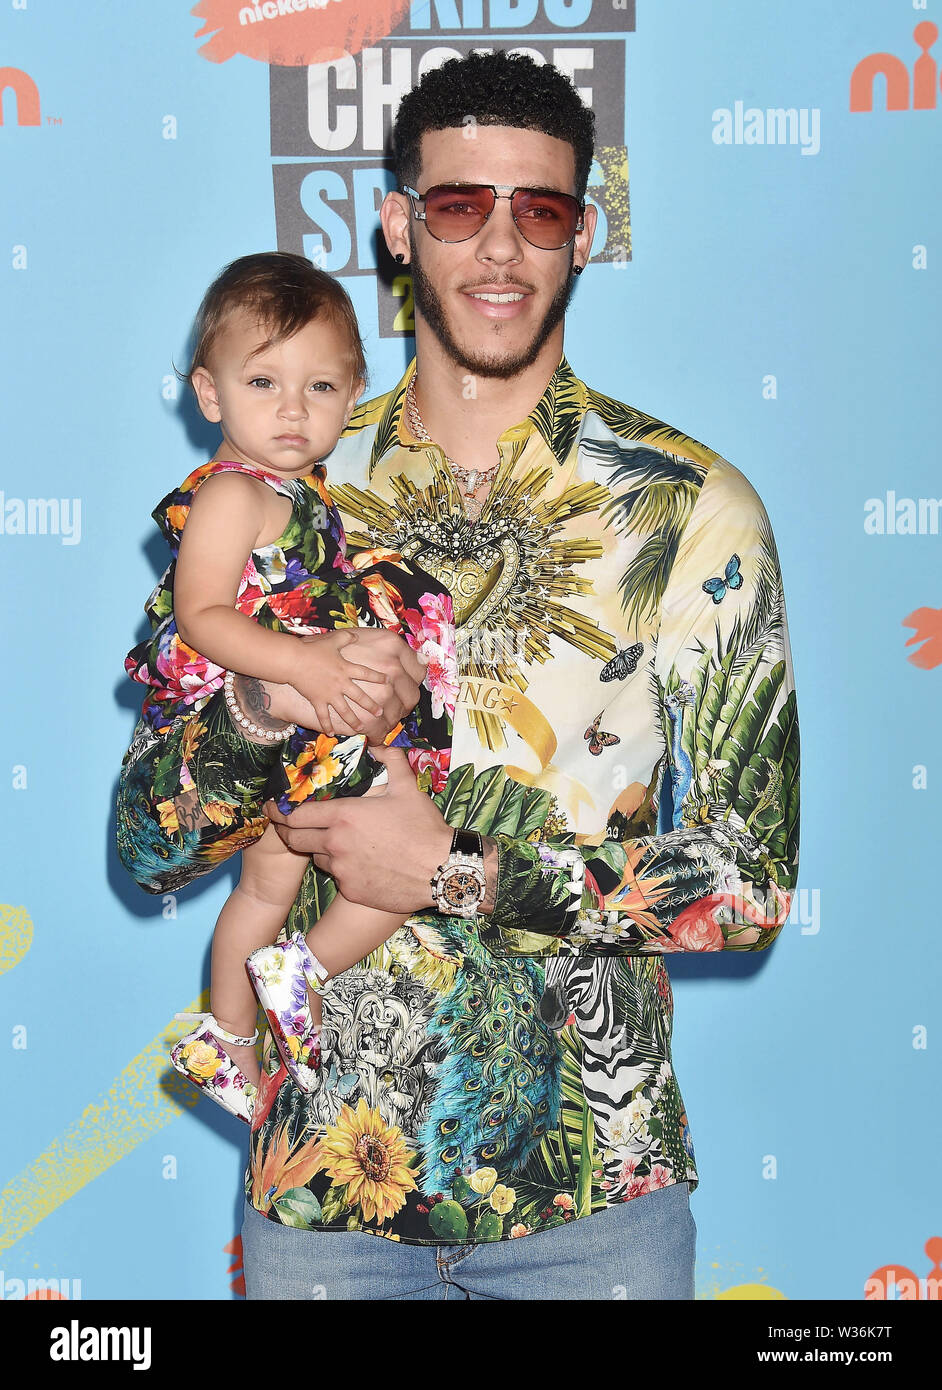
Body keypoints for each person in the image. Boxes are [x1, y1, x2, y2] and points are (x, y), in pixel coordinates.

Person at [116, 51, 799, 1300]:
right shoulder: (284, 480)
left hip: (595, 1201)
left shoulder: (693, 509)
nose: (498, 245)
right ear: (396, 225)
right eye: (456, 204)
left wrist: (452, 874)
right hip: (322, 1190)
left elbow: (750, 884)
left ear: (582, 235)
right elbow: (149, 842)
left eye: (538, 209)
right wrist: (272, 700)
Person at [121, 253, 457, 1120]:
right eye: (263, 381)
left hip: (305, 735)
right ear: (209, 394)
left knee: (269, 890)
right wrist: (306, 664)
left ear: (352, 398)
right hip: (277, 715)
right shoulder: (235, 492)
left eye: (320, 387)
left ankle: (233, 1034)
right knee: (422, 848)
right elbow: (199, 615)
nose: (292, 409)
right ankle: (292, 977)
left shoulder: (309, 496)